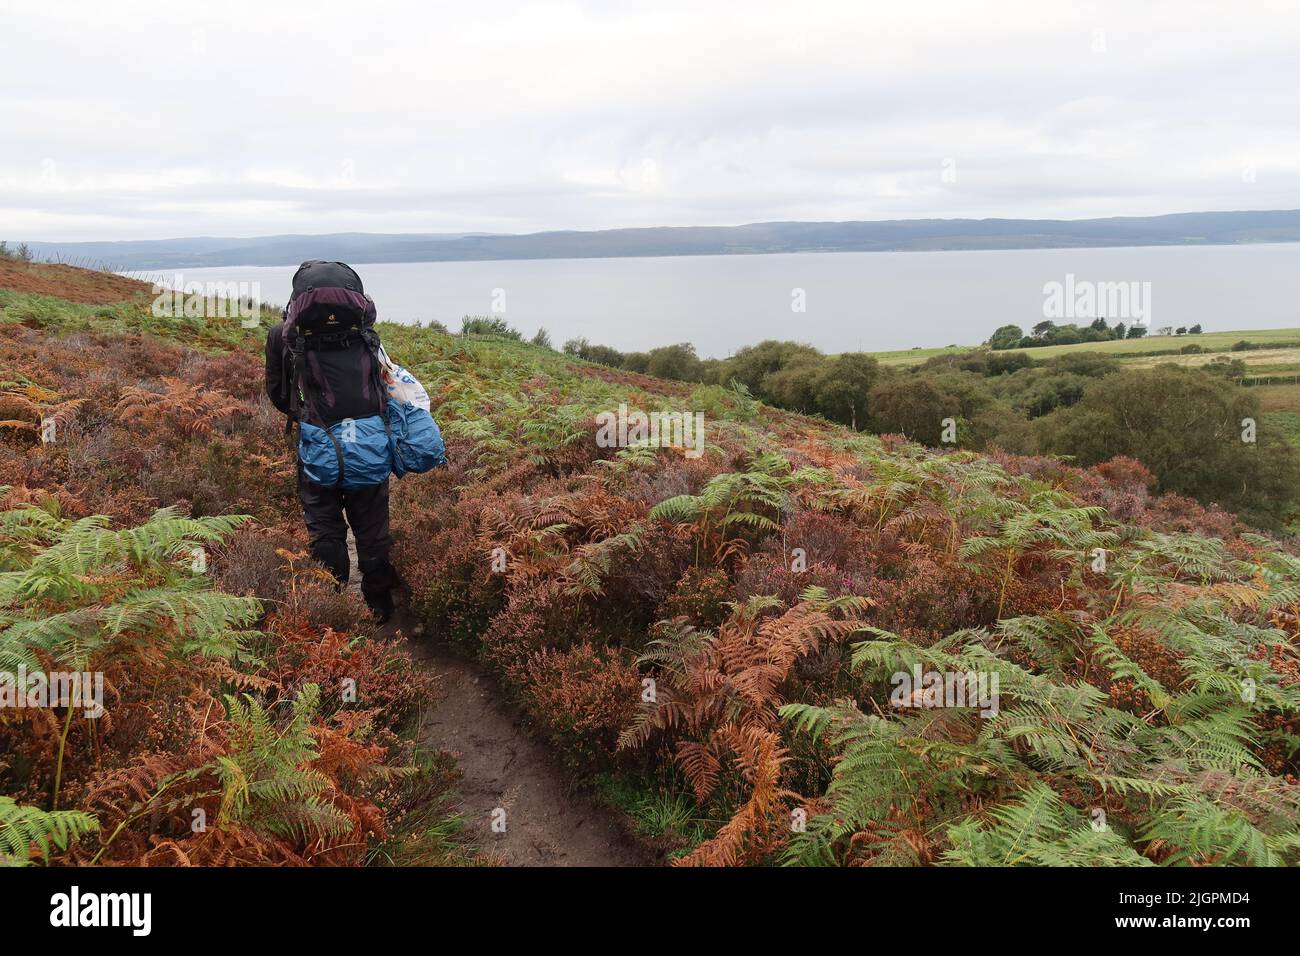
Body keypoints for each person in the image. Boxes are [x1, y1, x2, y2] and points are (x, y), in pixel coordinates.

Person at [264, 261, 398, 622]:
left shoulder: (282, 336)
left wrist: (309, 411)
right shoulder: (366, 334)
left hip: (318, 444)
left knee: (325, 527)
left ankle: (334, 605)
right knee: (371, 527)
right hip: (369, 444)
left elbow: (278, 397)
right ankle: (380, 605)